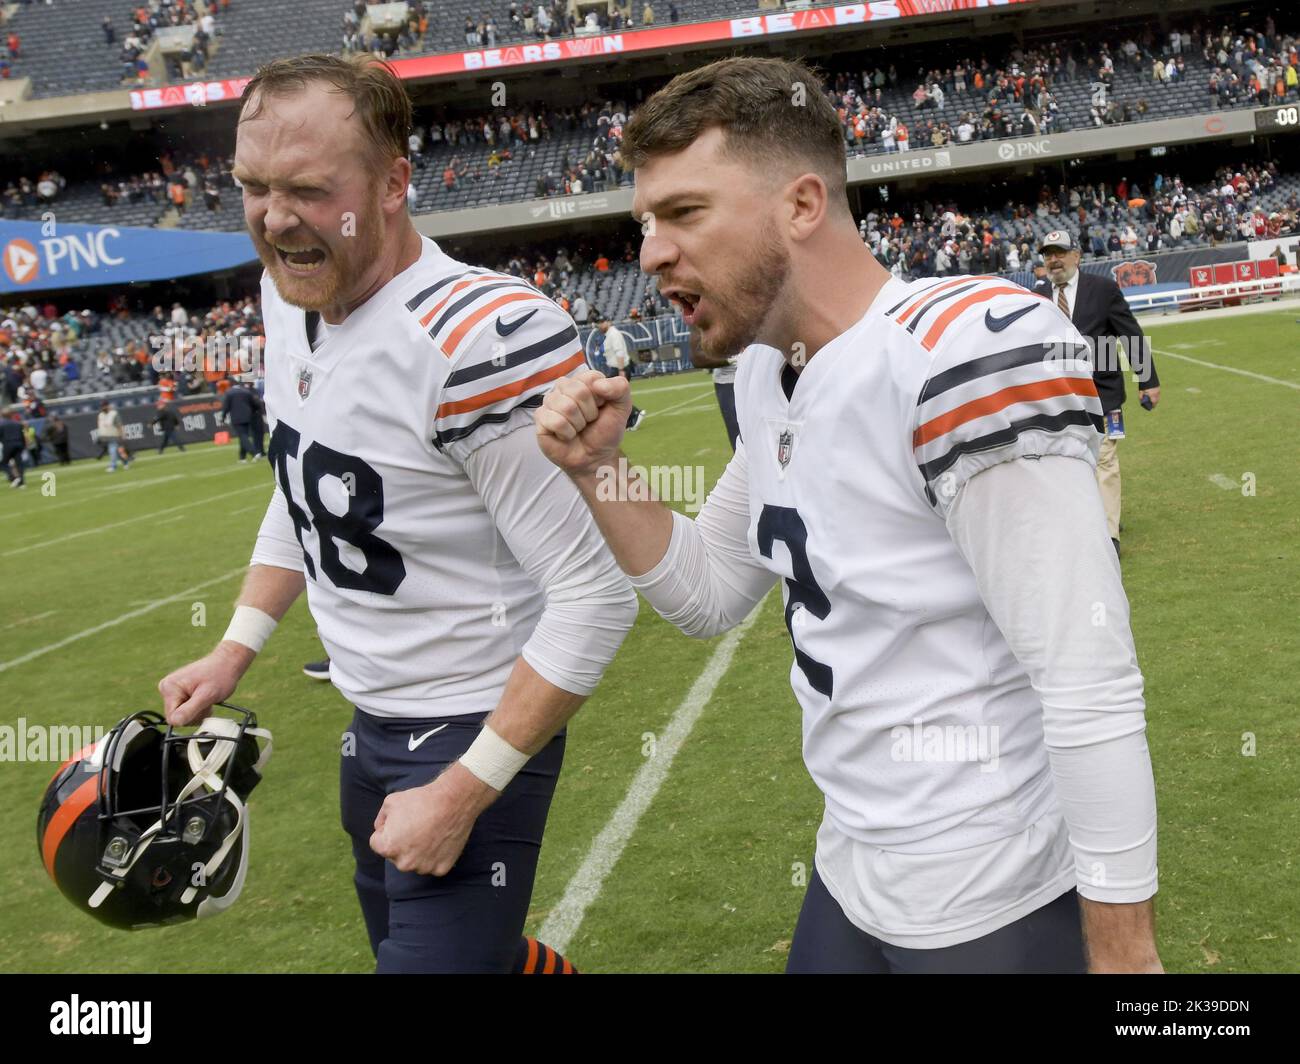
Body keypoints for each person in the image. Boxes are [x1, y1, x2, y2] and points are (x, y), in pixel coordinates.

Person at [537, 56, 1161, 974]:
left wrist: (1123, 953)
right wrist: (602, 474)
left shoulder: (950, 358)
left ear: (799, 205)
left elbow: (1087, 675)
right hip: (852, 858)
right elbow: (708, 591)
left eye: (683, 212)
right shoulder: (764, 368)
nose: (650, 252)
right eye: (644, 221)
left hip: (989, 881)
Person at [157, 53, 636, 975]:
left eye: (306, 188)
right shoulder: (286, 290)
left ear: (392, 183)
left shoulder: (475, 337)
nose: (274, 216)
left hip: (471, 718)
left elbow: (595, 595)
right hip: (368, 715)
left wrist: (463, 791)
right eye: (252, 187)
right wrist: (237, 644)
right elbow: (306, 483)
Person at [1032, 230, 1160, 558]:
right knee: (1070, 462)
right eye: (1048, 254)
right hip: (1057, 397)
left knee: (1105, 459)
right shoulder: (1037, 295)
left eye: (1059, 252)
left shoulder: (1102, 290)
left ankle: (1109, 534)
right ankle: (1084, 520)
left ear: (1077, 255)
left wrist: (1147, 380)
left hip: (1103, 393)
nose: (1053, 260)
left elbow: (1129, 334)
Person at [595, 316, 644, 430]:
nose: (600, 325)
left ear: (608, 322)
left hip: (619, 368)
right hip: (616, 368)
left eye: (602, 322)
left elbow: (619, 352)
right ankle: (630, 419)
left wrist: (621, 370)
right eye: (599, 322)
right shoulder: (609, 335)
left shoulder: (614, 334)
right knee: (612, 397)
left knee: (610, 396)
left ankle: (635, 414)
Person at [220, 378, 262, 462]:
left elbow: (225, 407)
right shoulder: (246, 391)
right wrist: (254, 411)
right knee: (244, 435)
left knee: (242, 436)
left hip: (236, 417)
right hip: (248, 416)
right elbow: (255, 404)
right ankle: (242, 457)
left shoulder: (229, 393)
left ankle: (254, 452)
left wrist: (223, 417)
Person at [96, 401, 131, 472]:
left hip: (113, 435)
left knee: (112, 450)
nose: (103, 408)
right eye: (102, 406)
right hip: (104, 437)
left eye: (104, 406)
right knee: (116, 451)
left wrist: (122, 434)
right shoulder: (100, 415)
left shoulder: (114, 414)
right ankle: (125, 462)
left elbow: (119, 425)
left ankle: (113, 466)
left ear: (108, 406)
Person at [1, 413, 24, 488]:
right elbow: (22, 435)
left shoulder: (2, 425)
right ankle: (21, 482)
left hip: (7, 445)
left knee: (3, 463)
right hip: (18, 445)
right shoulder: (17, 424)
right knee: (19, 464)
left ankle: (14, 478)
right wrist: (23, 445)